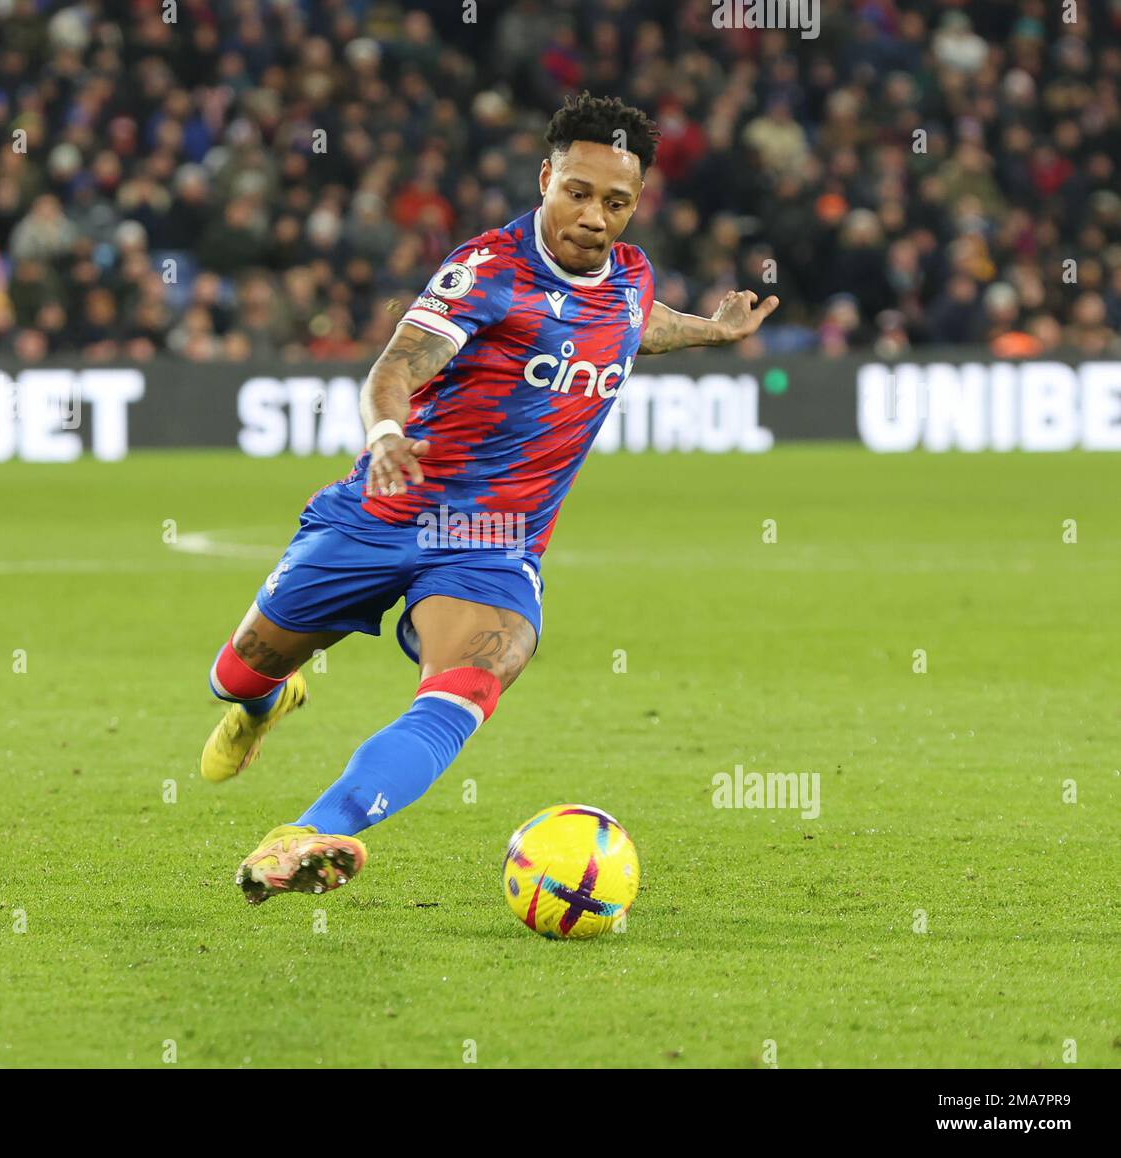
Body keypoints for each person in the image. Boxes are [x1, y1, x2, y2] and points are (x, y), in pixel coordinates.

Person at [200, 92, 779, 904]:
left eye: (616, 202)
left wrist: (709, 331)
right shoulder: (489, 271)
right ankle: (261, 704)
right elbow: (397, 365)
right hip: (388, 510)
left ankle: (306, 833)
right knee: (240, 669)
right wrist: (386, 435)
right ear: (545, 179)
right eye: (577, 191)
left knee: (475, 676)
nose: (594, 216)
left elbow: (633, 321)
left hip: (497, 541)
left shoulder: (631, 276)